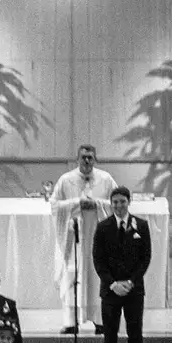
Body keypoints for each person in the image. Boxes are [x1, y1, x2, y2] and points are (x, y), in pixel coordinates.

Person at [50, 142, 118, 331]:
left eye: (90, 157)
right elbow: (54, 204)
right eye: (83, 157)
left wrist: (97, 204)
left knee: (98, 276)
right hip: (74, 238)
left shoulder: (106, 179)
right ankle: (72, 322)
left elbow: (118, 203)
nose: (87, 161)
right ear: (77, 159)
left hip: (99, 236)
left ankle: (100, 321)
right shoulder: (66, 180)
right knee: (73, 275)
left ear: (95, 159)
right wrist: (76, 203)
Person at [92, 184, 152, 343]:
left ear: (129, 202)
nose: (119, 206)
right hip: (110, 290)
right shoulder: (103, 227)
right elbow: (98, 261)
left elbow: (145, 258)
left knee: (135, 332)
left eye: (122, 202)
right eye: (115, 202)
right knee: (110, 333)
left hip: (133, 289)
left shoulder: (141, 225)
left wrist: (131, 282)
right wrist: (112, 283)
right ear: (111, 204)